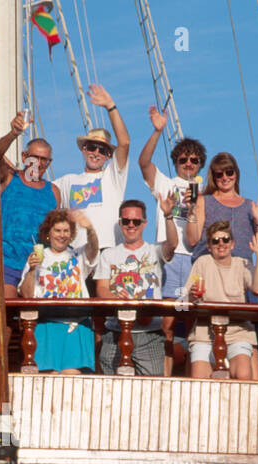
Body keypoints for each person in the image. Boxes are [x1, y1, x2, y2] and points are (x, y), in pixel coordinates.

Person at [138, 107, 205, 375]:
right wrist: (157, 131)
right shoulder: (164, 183)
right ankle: (164, 376)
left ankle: (190, 377)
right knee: (165, 323)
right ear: (175, 161)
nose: (188, 164)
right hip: (166, 258)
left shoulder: (204, 191)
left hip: (194, 260)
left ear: (200, 164)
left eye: (194, 160)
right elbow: (143, 163)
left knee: (192, 322)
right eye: (183, 160)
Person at [93, 197, 178, 376]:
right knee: (111, 391)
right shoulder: (108, 254)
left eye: (136, 221)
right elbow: (101, 289)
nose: (131, 225)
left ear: (144, 224)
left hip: (150, 333)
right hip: (114, 331)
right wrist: (118, 300)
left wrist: (168, 216)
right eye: (126, 221)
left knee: (153, 391)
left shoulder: (154, 250)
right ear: (120, 223)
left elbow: (172, 244)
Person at [182, 220, 258, 381]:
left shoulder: (243, 264)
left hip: (237, 333)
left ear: (232, 244)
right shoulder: (201, 263)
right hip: (204, 335)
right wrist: (192, 296)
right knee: (199, 381)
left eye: (225, 239)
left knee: (243, 375)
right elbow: (184, 297)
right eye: (215, 241)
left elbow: (257, 289)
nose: (221, 244)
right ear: (209, 246)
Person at [18, 209, 99, 374]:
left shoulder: (78, 255)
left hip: (76, 326)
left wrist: (90, 229)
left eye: (66, 231)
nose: (62, 235)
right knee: (47, 384)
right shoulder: (36, 257)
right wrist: (32, 269)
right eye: (57, 230)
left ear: (71, 234)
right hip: (46, 326)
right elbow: (27, 295)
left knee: (72, 382)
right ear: (48, 233)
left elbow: (94, 248)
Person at [52, 84, 130, 250]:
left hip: (108, 251)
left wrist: (111, 106)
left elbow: (124, 143)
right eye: (92, 147)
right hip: (76, 255)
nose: (96, 152)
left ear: (109, 156)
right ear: (83, 149)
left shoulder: (113, 176)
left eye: (102, 150)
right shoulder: (66, 181)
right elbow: (39, 193)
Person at [0, 113, 59, 298]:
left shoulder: (53, 191)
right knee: (7, 315)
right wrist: (13, 133)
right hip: (7, 262)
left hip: (38, 263)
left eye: (44, 160)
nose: (39, 164)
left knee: (31, 319)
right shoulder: (8, 178)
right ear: (24, 156)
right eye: (34, 158)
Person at [184, 153, 258, 267]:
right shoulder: (204, 201)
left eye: (229, 172)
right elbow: (192, 240)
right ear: (214, 177)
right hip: (211, 268)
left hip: (242, 270)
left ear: (236, 173)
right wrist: (191, 211)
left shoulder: (250, 205)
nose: (225, 178)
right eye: (219, 174)